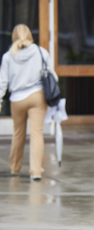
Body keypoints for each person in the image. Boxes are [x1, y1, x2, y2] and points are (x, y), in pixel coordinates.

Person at [0, 24, 56, 182]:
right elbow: (53, 76)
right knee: (37, 133)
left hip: (17, 100)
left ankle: (15, 168)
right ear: (30, 36)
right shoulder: (41, 52)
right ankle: (36, 171)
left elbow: (2, 82)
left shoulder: (8, 56)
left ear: (13, 38)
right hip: (37, 97)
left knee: (18, 134)